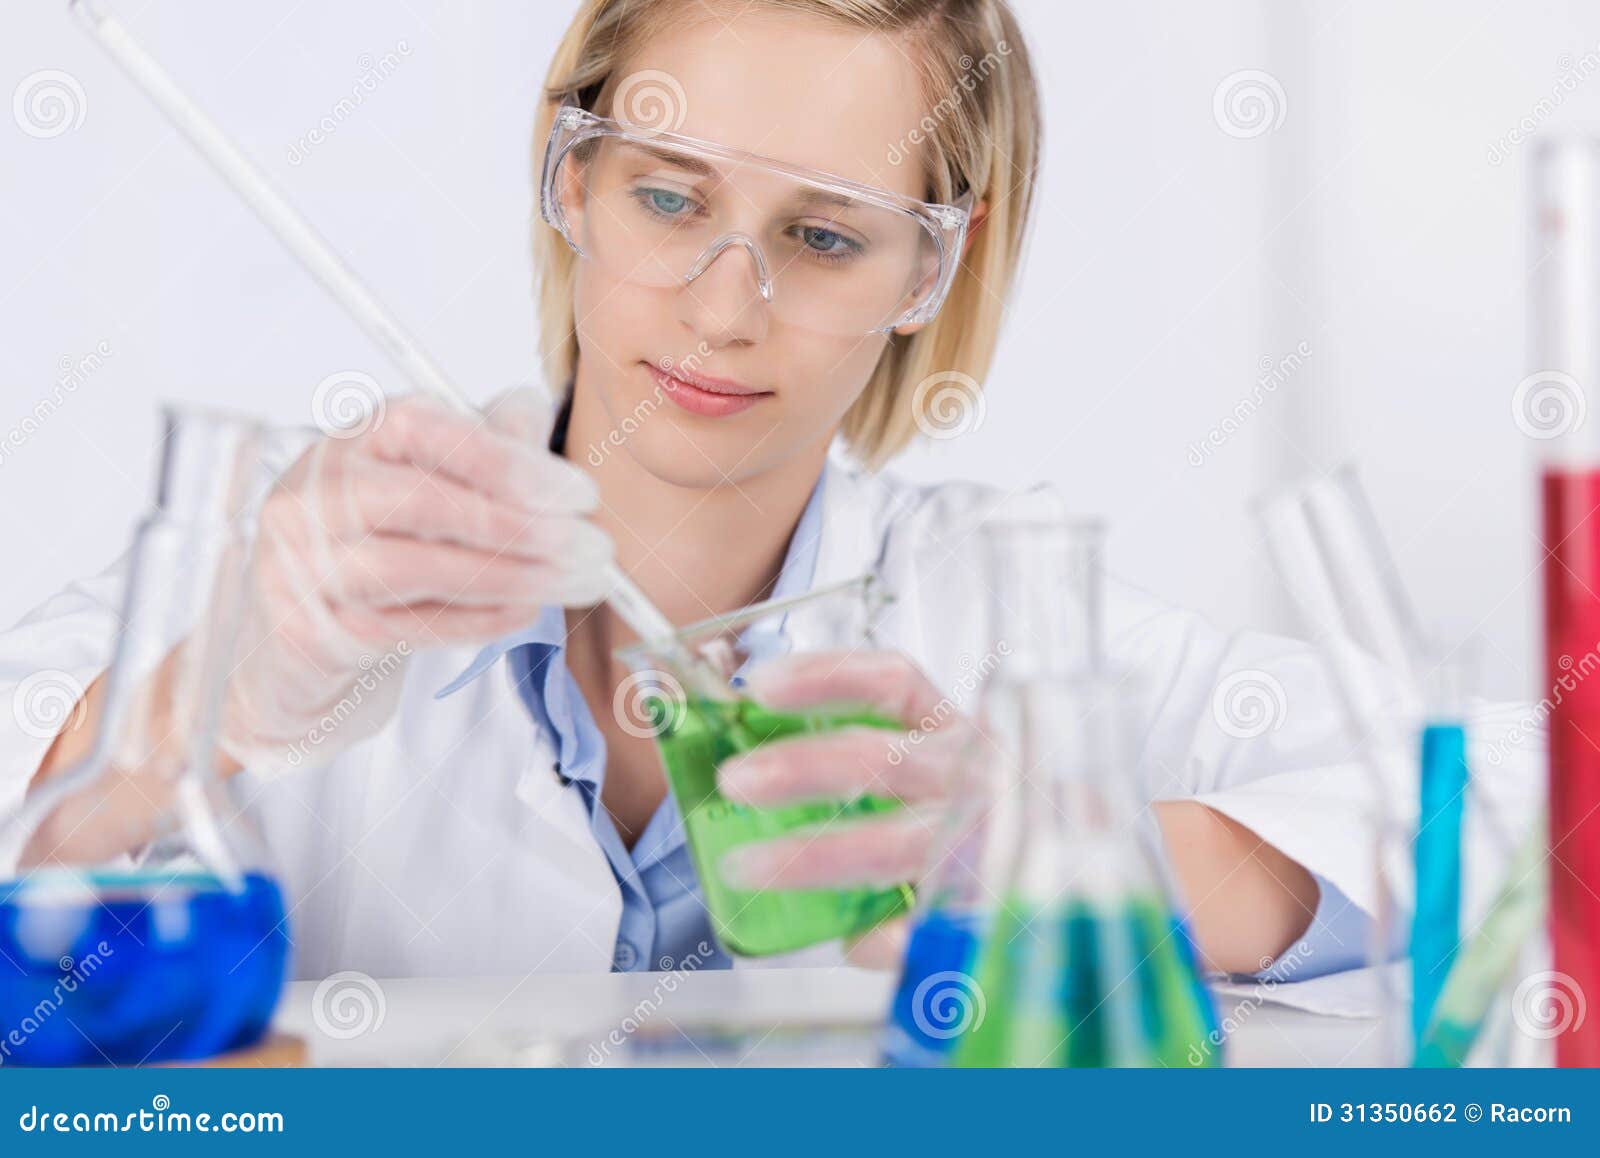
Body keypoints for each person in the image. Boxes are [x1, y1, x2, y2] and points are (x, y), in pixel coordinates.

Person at [0, 0, 1533, 983]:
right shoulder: (314, 561)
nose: (726, 306)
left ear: (935, 263)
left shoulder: (992, 616)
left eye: (825, 235)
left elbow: (1527, 813)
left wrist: (1075, 860)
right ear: (570, 177)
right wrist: (205, 696)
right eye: (670, 197)